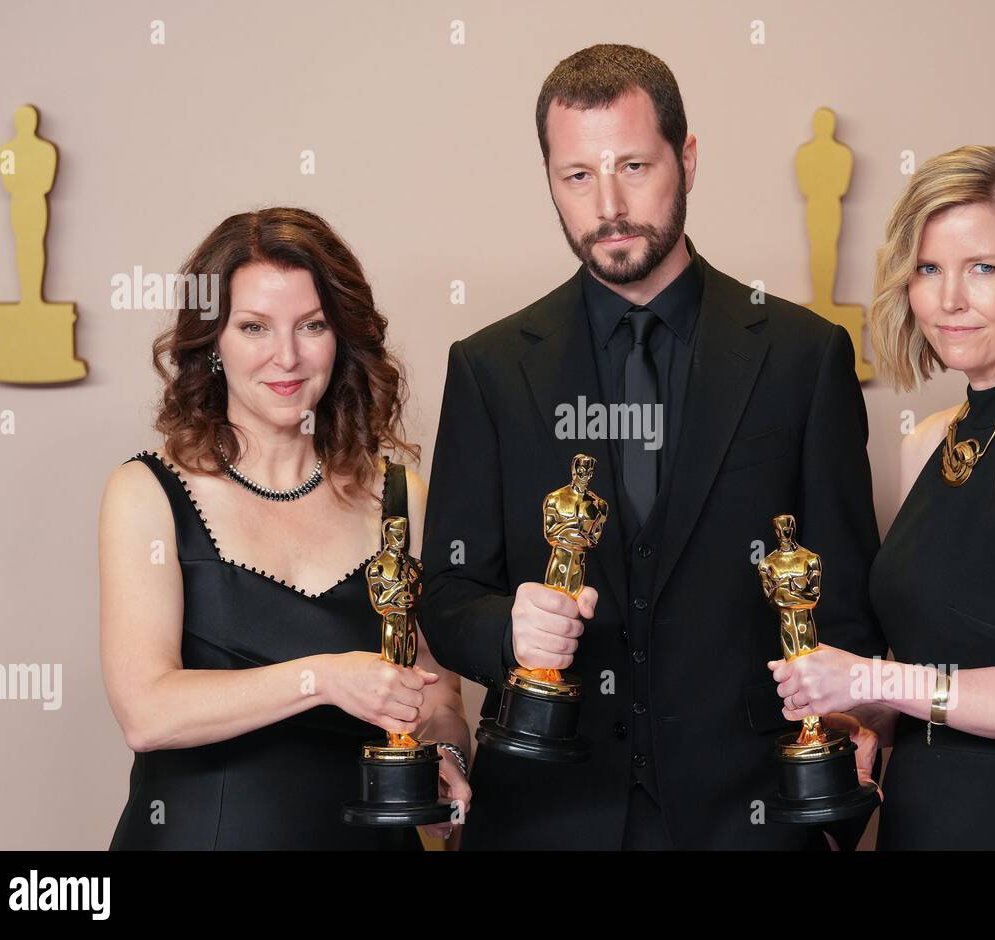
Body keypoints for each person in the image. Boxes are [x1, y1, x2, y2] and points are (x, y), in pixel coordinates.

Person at [419, 44, 885, 850]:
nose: (609, 204)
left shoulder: (803, 356)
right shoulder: (488, 367)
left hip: (751, 815)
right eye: (577, 176)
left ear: (688, 158)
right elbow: (449, 592)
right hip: (543, 815)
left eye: (633, 165)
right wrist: (507, 631)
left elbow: (841, 593)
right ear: (550, 180)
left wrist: (850, 732)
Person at [769, 145, 995, 849]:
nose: (949, 300)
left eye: (984, 270)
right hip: (916, 817)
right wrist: (872, 717)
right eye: (929, 269)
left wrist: (875, 679)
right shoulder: (929, 441)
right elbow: (940, 657)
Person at [100, 207, 470, 849]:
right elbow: (147, 712)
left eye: (312, 325)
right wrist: (322, 679)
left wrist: (443, 755)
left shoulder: (401, 498)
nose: (287, 356)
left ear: (342, 336)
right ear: (212, 342)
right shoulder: (145, 493)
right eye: (254, 327)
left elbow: (439, 698)